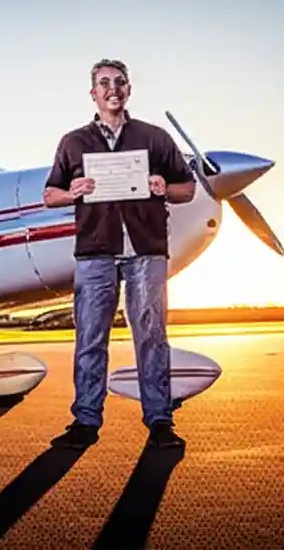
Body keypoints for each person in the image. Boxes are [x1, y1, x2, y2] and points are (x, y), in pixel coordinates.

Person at [42, 59, 196, 450]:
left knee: (152, 336)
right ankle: (86, 421)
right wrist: (72, 191)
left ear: (129, 90)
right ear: (93, 92)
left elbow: (187, 189)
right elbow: (50, 195)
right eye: (104, 83)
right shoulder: (73, 142)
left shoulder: (155, 137)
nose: (113, 88)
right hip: (95, 252)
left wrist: (163, 186)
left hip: (146, 251)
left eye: (120, 82)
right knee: (91, 337)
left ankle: (160, 420)